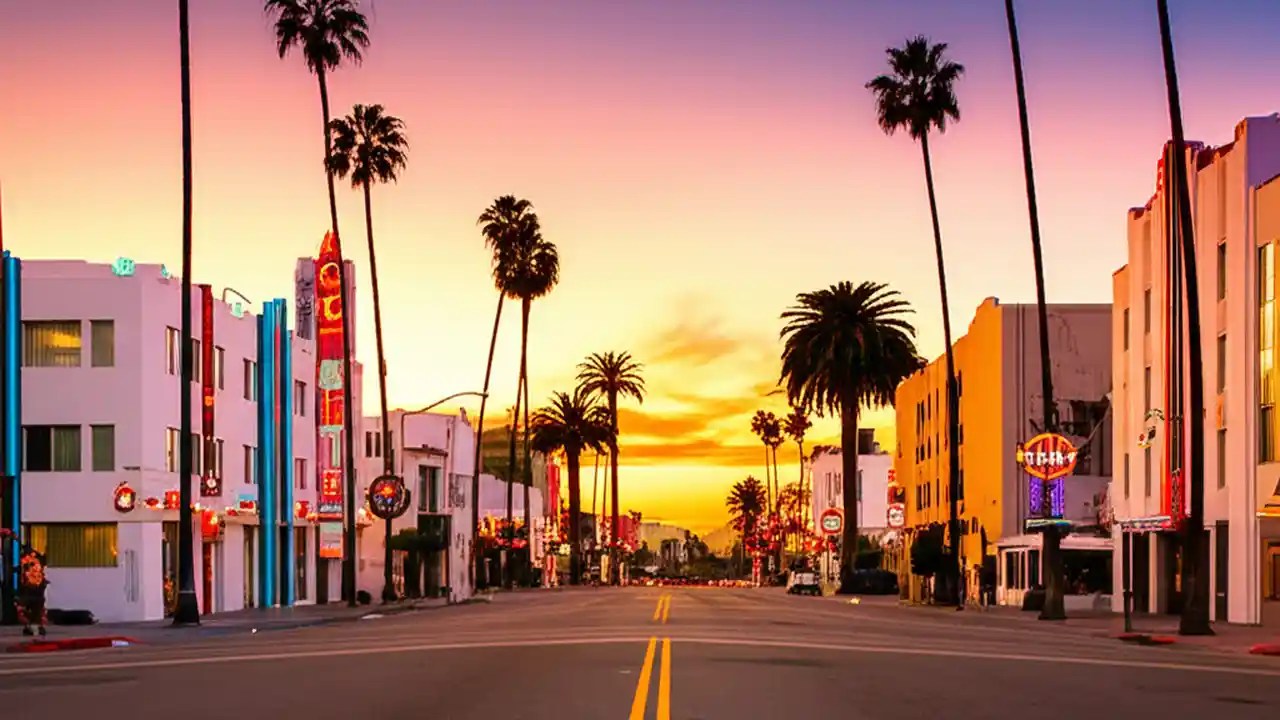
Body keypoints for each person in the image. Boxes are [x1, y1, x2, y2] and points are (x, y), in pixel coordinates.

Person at [17, 548, 49, 637]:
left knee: (35, 611)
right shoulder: (28, 565)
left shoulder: (32, 565)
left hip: (34, 592)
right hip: (32, 592)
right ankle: (34, 627)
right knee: (30, 611)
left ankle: (35, 627)